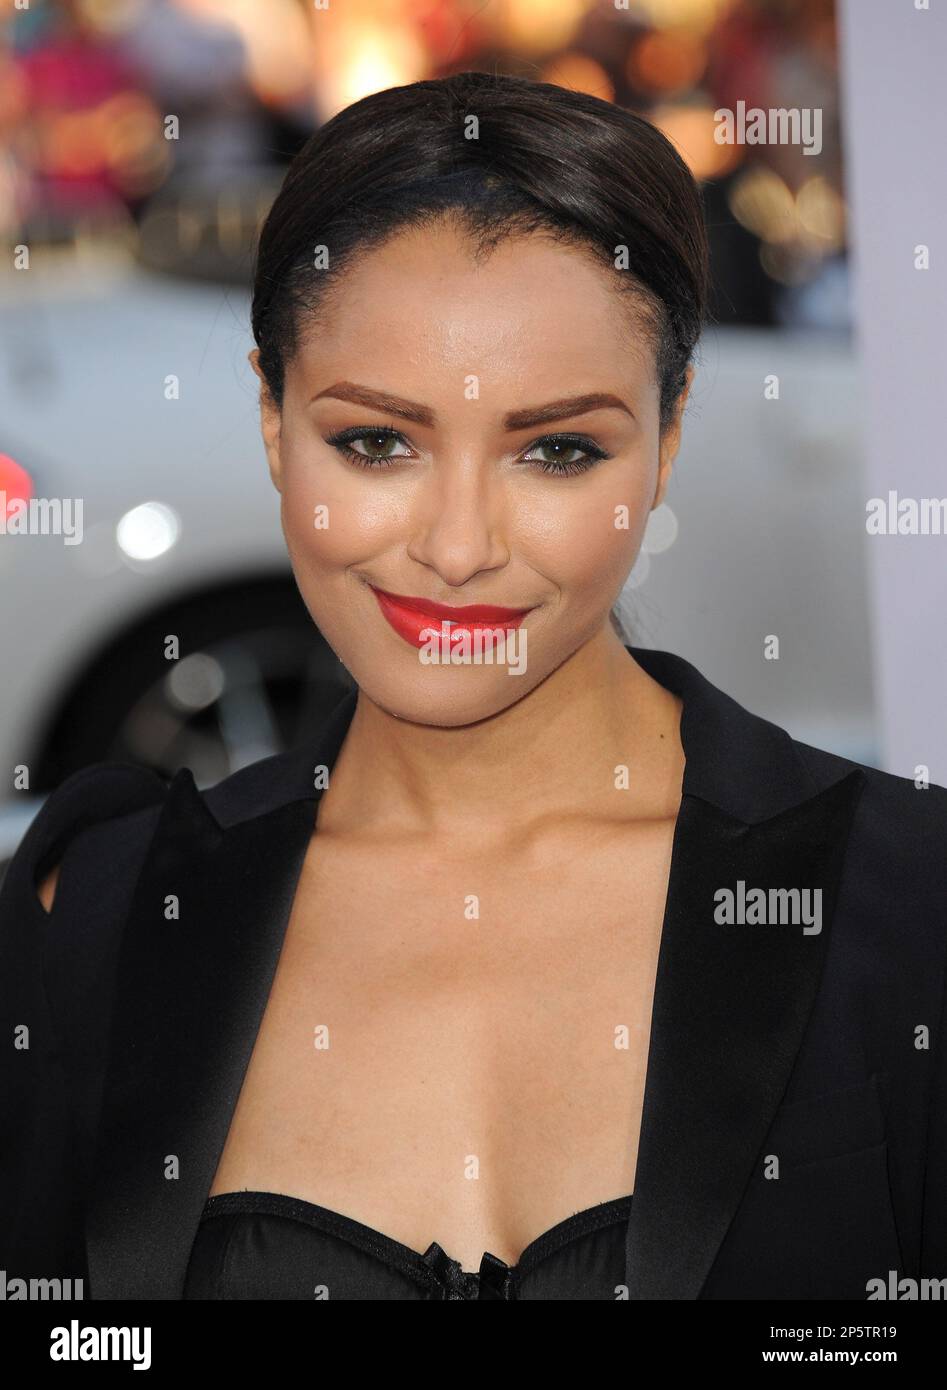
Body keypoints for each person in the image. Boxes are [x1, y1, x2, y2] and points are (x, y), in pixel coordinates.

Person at [1, 71, 944, 1302]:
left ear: (662, 443)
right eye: (374, 441)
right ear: (273, 422)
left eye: (556, 450)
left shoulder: (908, 899)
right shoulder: (95, 915)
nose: (455, 548)